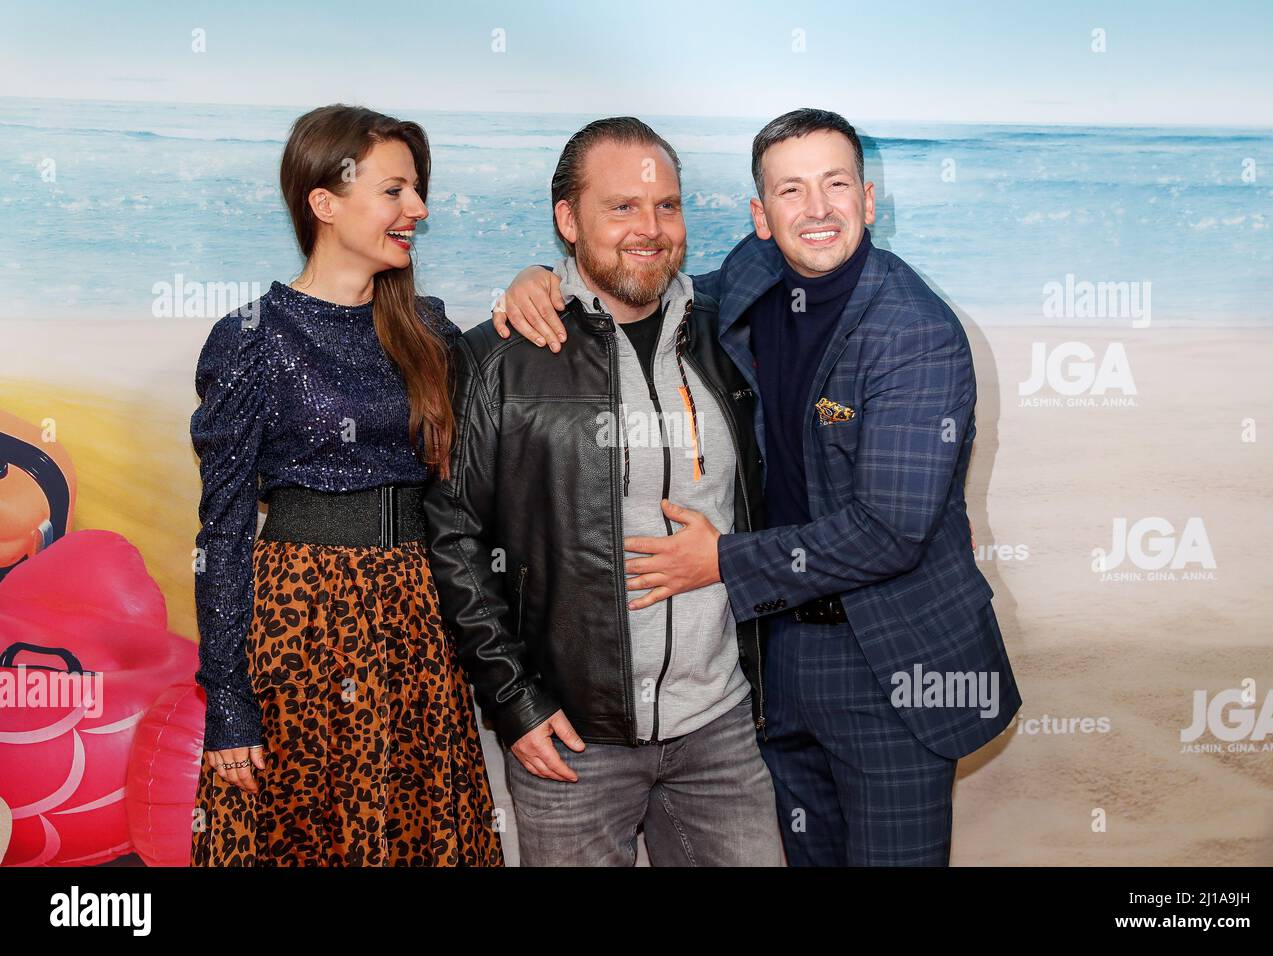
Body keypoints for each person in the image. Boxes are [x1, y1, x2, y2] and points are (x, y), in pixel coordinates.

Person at [495, 108, 1021, 866]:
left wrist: (721, 561)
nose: (817, 210)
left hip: (891, 664)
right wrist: (545, 279)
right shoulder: (752, 278)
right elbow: (646, 286)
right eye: (791, 190)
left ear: (868, 201)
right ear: (761, 216)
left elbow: (891, 530)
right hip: (776, 664)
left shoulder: (916, 333)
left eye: (837, 185)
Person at [423, 117, 783, 866]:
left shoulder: (730, 338)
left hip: (720, 727)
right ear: (567, 220)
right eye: (621, 207)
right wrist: (515, 701)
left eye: (667, 206)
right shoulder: (500, 359)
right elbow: (451, 539)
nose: (649, 229)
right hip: (571, 741)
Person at [189, 104, 502, 866]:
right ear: (324, 203)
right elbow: (225, 531)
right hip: (302, 622)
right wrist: (229, 701)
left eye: (418, 191)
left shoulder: (427, 327)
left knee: (417, 832)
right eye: (395, 191)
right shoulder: (253, 337)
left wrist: (533, 282)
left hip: (418, 616)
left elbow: (474, 473)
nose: (418, 210)